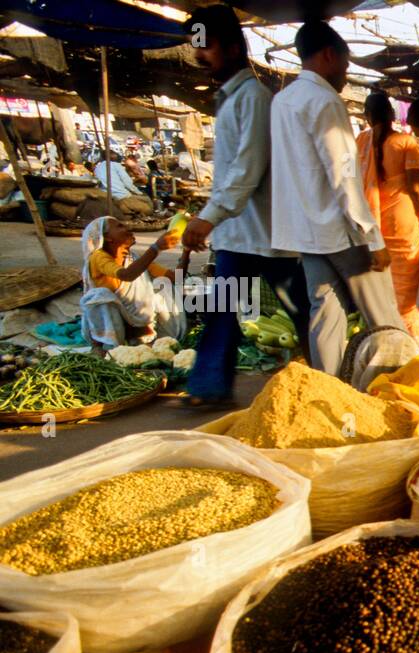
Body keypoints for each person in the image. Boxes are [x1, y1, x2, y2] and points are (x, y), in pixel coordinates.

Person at [181, 4, 313, 408]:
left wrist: (208, 217)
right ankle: (208, 388)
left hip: (269, 234)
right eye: (197, 47)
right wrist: (213, 219)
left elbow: (246, 168)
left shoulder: (253, 98)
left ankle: (330, 375)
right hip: (239, 236)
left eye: (207, 46)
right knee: (221, 310)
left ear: (235, 48)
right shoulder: (231, 100)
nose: (200, 55)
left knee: (301, 311)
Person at [270, 21, 407, 376]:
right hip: (342, 231)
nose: (346, 75)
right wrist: (371, 237)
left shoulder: (282, 100)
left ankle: (330, 391)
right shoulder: (325, 101)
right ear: (329, 56)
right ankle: (397, 390)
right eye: (345, 65)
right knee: (384, 317)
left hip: (306, 233)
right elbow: (342, 175)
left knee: (325, 316)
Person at [357, 90, 419, 342]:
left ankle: (383, 340)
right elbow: (417, 188)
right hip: (402, 225)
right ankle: (407, 344)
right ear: (393, 114)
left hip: (371, 228)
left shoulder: (359, 141)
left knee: (381, 290)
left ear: (367, 116)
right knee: (406, 295)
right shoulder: (406, 144)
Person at [79, 216, 187, 347]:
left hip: (137, 325)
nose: (127, 228)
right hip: (110, 324)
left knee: (163, 286)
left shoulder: (134, 259)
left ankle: (160, 338)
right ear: (107, 237)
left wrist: (186, 251)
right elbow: (127, 275)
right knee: (100, 295)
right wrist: (156, 248)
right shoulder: (98, 257)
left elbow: (176, 278)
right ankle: (105, 346)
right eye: (119, 226)